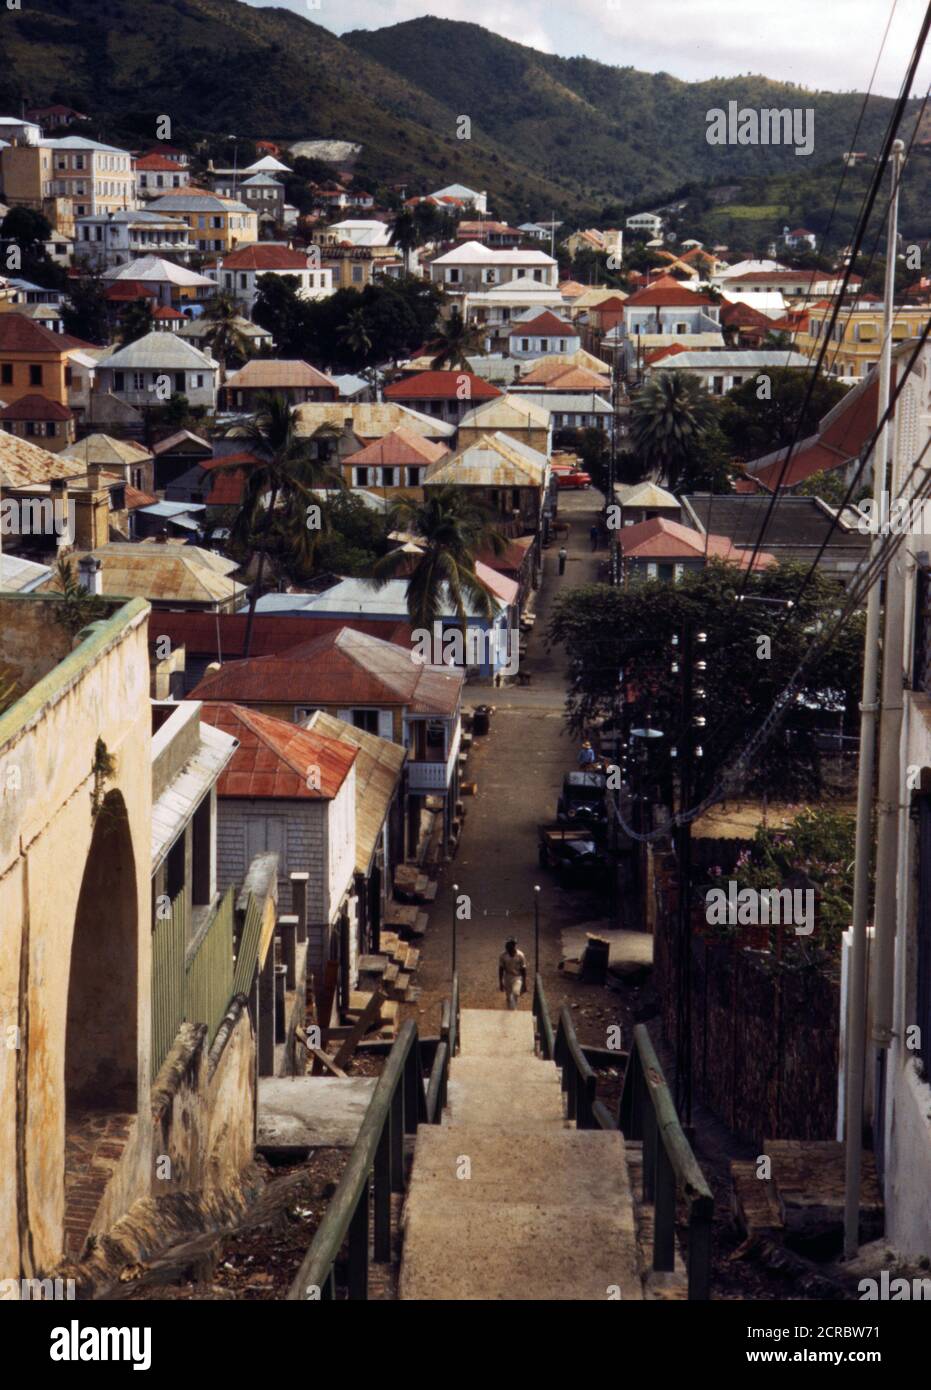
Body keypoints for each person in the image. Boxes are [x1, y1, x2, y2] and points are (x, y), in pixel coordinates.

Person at [498, 936, 527, 1010]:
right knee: (508, 997)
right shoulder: (503, 955)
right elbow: (501, 969)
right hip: (507, 977)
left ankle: (514, 1010)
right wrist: (501, 982)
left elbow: (523, 969)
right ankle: (510, 1010)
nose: (506, 946)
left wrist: (524, 983)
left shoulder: (520, 955)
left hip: (517, 977)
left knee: (516, 993)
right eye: (506, 945)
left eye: (508, 945)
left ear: (513, 945)